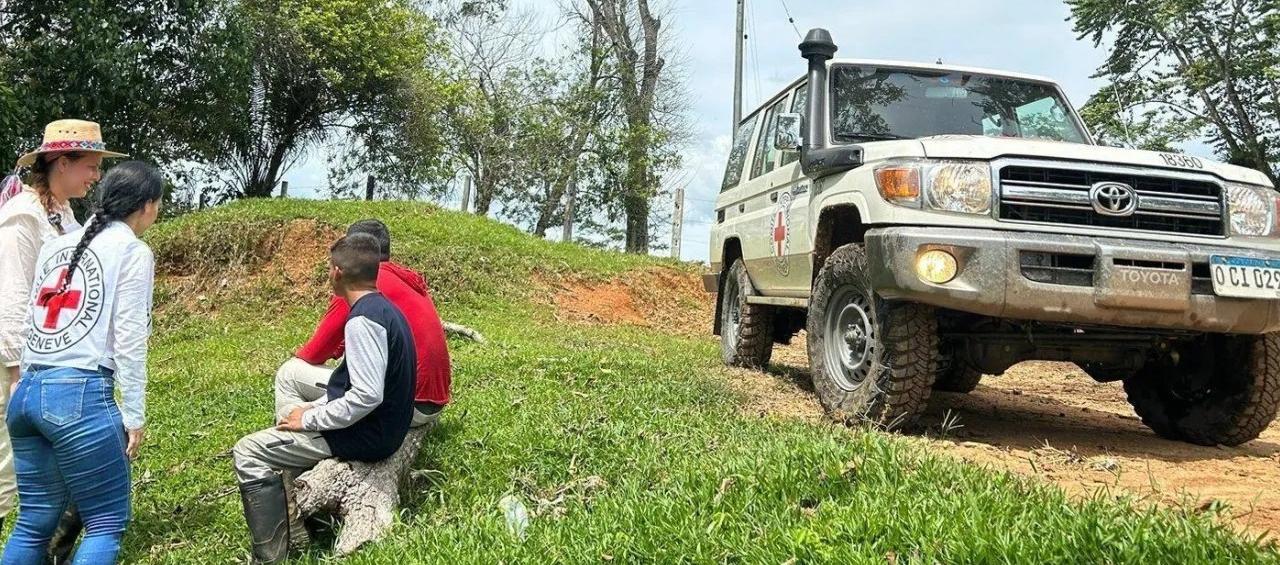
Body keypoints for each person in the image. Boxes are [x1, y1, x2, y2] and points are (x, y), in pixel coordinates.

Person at [1, 161, 160, 565]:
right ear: (147, 205)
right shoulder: (132, 251)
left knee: (33, 522)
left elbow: (31, 321)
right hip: (78, 396)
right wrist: (134, 414)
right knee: (105, 522)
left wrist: (23, 379)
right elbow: (130, 338)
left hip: (27, 394)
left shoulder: (57, 245)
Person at [232, 233, 418, 564]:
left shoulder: (362, 321)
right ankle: (293, 503)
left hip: (367, 435)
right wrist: (311, 408)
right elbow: (352, 387)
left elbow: (365, 396)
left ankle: (274, 554)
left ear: (337, 272)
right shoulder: (386, 310)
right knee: (290, 418)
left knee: (248, 452)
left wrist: (309, 419)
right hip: (383, 428)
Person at [278, 219, 450, 429]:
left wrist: (302, 353)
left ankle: (291, 434)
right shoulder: (402, 278)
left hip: (404, 404)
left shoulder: (359, 284)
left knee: (290, 373)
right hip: (432, 401)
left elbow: (316, 352)